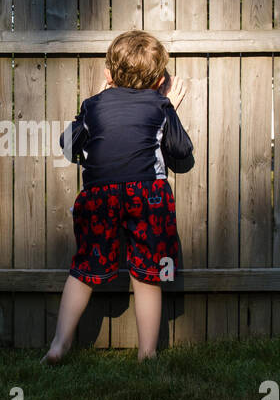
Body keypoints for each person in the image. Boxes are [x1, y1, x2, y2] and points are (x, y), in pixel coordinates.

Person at [42, 30, 193, 364]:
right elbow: (182, 154)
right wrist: (171, 108)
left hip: (99, 194)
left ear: (108, 74)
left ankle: (58, 346)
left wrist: (92, 105)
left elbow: (68, 146)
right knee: (147, 273)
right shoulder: (161, 105)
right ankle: (147, 353)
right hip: (147, 195)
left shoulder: (93, 106)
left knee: (84, 269)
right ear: (158, 80)